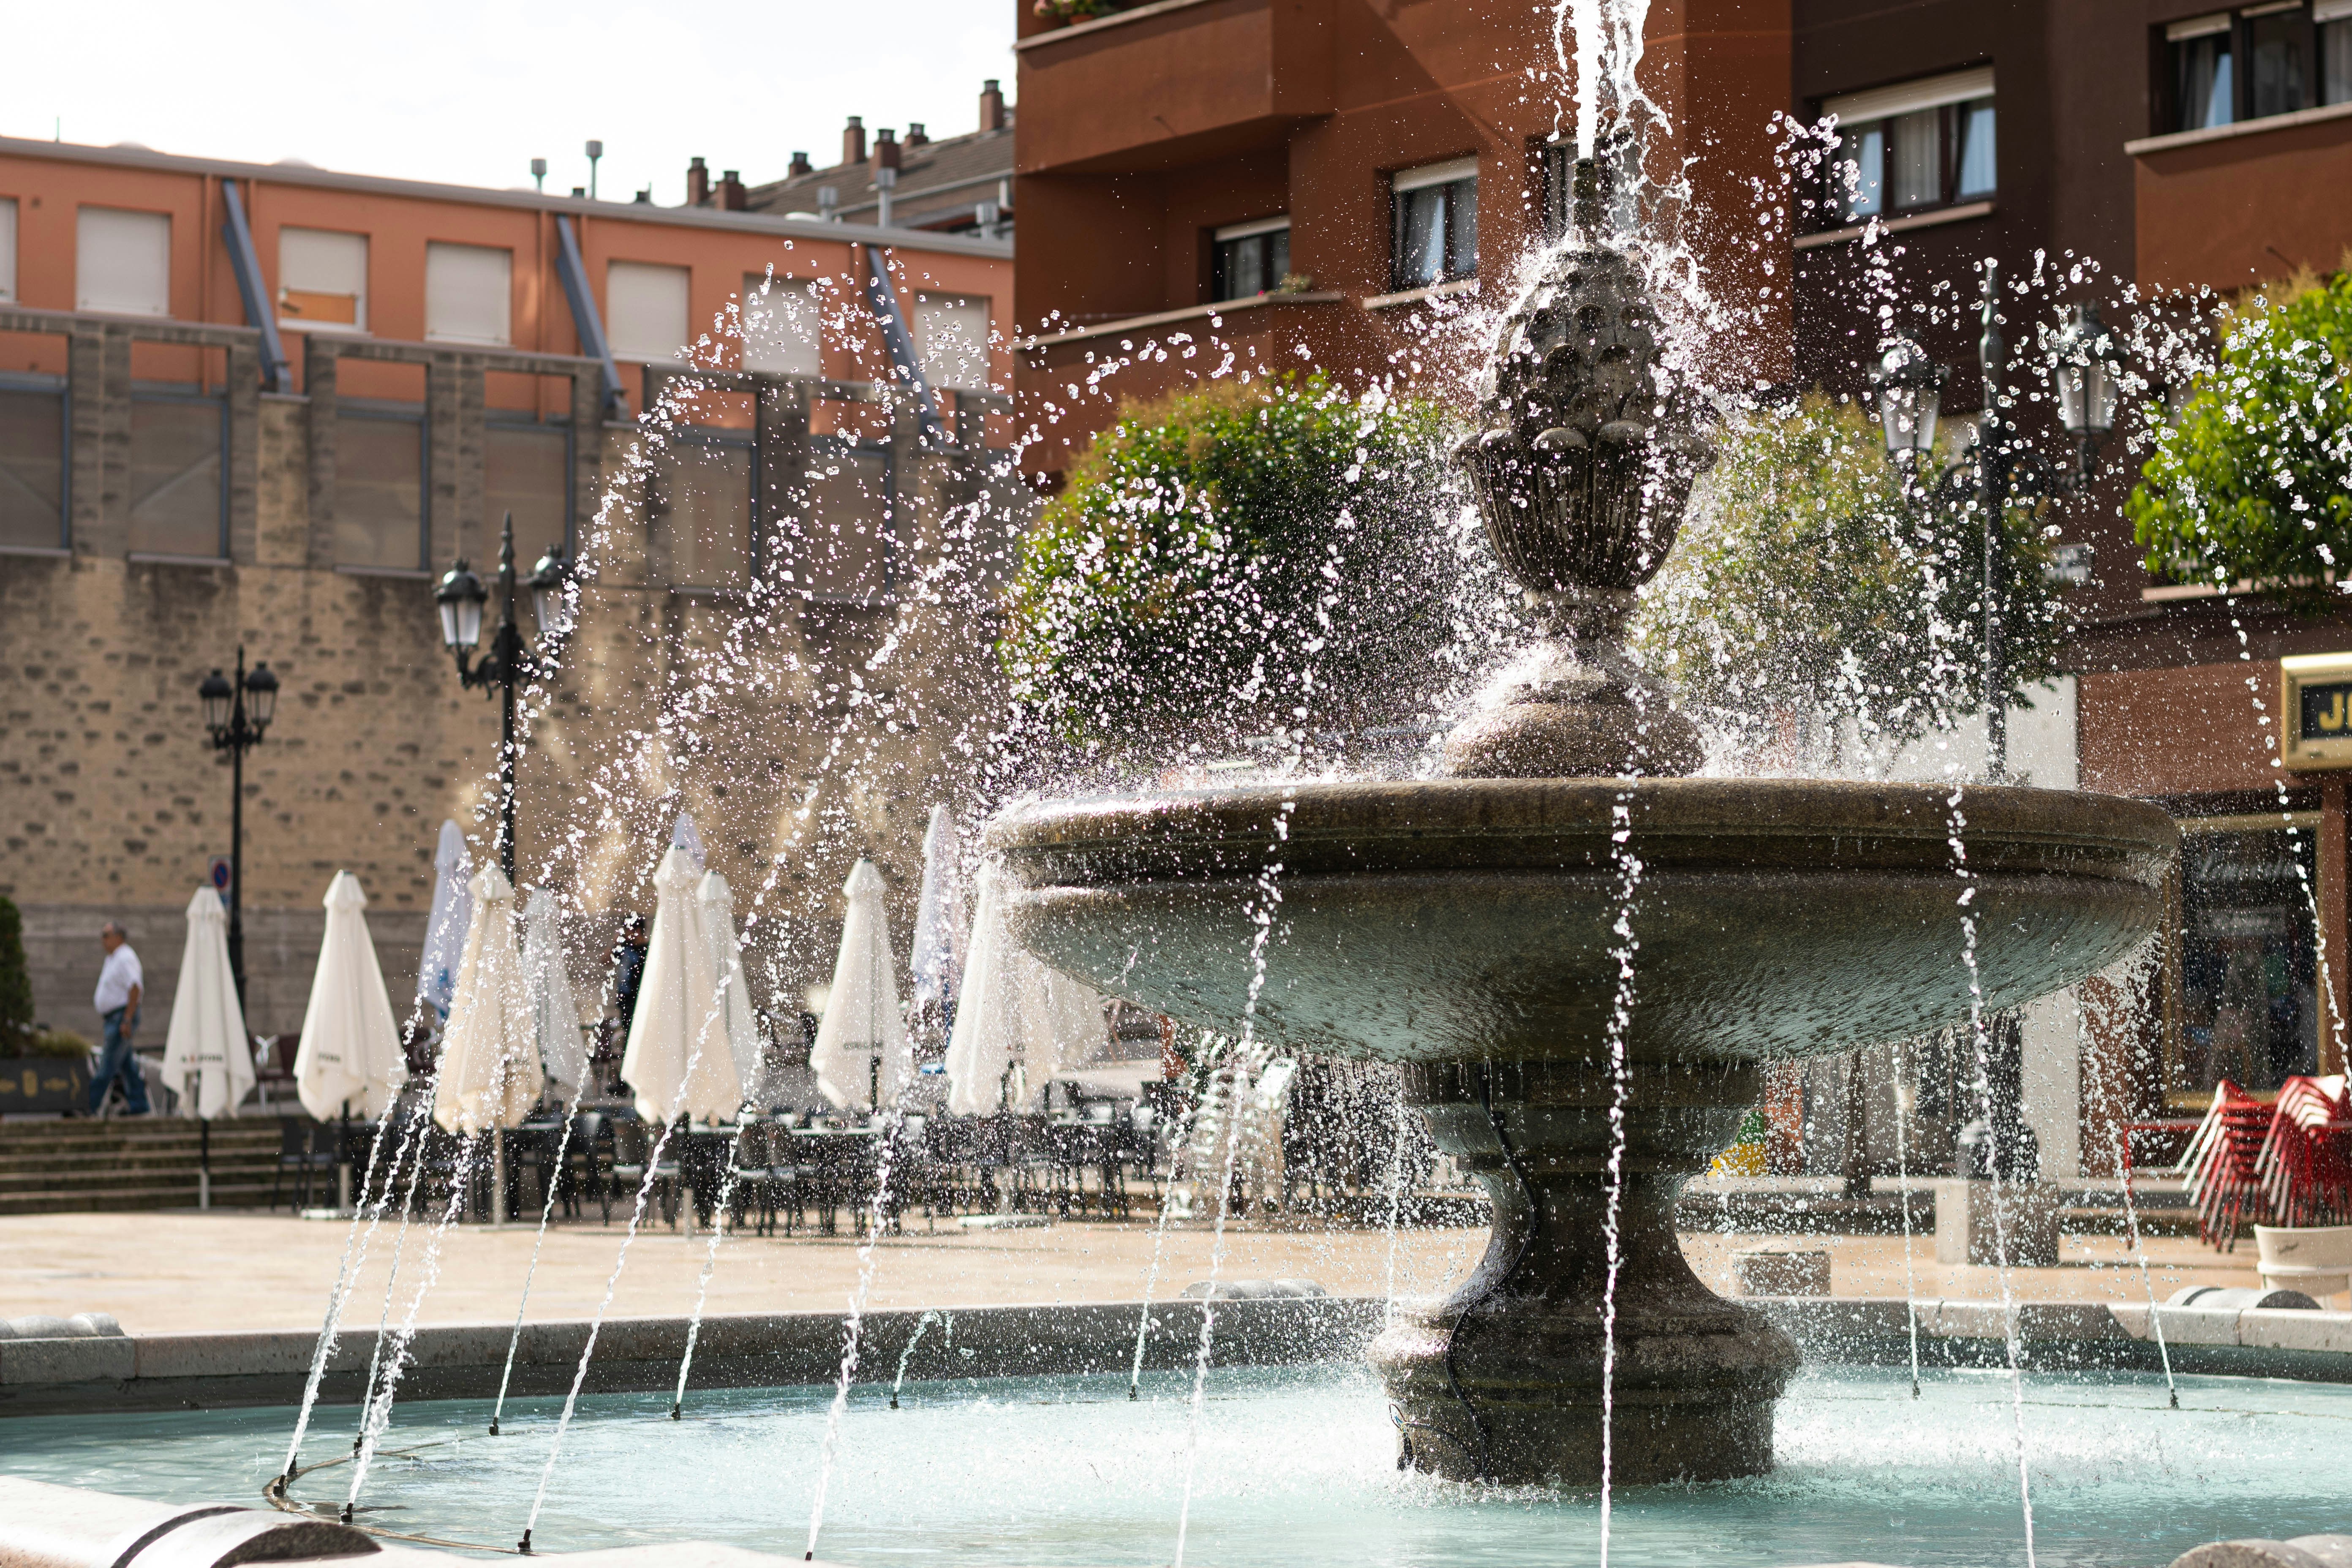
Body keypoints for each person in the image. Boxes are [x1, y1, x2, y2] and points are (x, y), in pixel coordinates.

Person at [90, 922, 151, 1116]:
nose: (103, 940)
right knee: (127, 1065)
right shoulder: (114, 958)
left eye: (106, 935)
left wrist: (127, 1019)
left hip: (121, 1017)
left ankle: (88, 1105)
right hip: (115, 1017)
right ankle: (139, 1104)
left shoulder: (125, 958)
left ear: (119, 937)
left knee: (107, 1065)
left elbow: (135, 987)